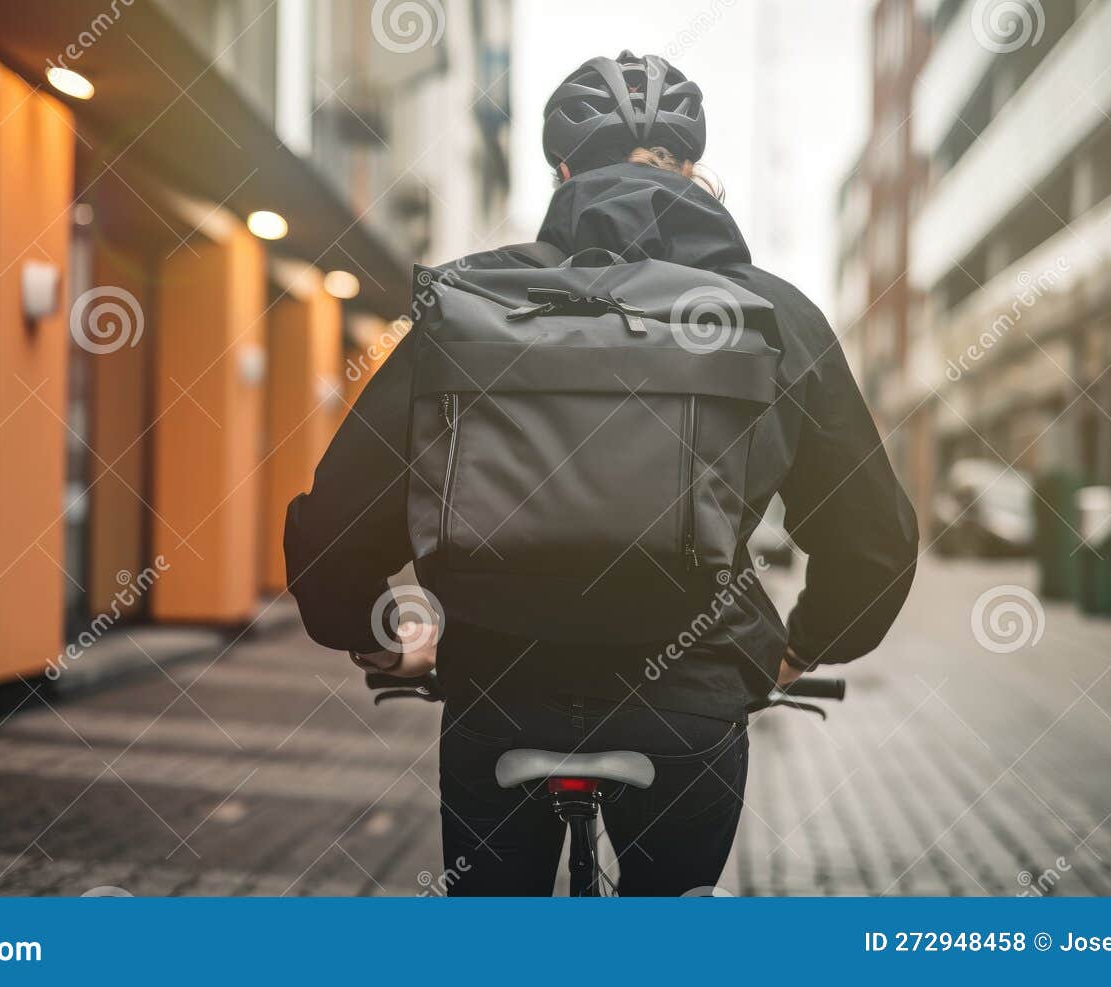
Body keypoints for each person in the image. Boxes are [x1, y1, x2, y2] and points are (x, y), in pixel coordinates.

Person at [283, 51, 918, 895]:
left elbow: (336, 529)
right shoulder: (777, 317)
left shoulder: (468, 304)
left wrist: (378, 632)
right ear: (693, 168)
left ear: (563, 170)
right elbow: (875, 543)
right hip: (690, 701)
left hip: (500, 693)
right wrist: (802, 647)